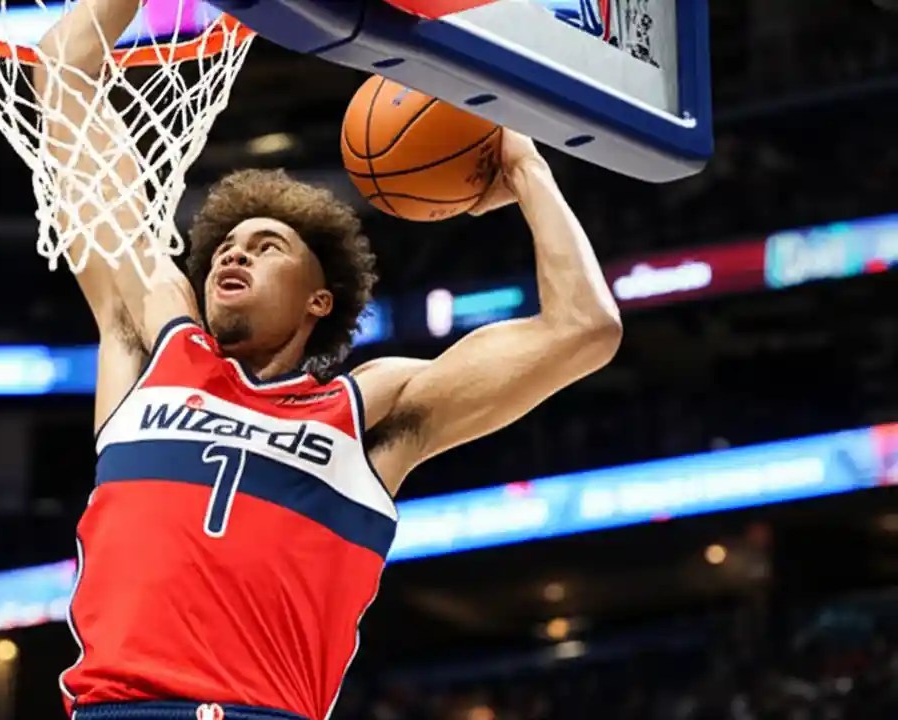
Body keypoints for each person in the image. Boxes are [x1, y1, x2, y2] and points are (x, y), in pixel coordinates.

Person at [33, 1, 622, 720]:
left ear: (319, 300)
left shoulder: (370, 409)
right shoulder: (154, 344)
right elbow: (63, 70)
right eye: (226, 245)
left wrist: (525, 168)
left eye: (267, 246)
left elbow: (584, 328)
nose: (235, 251)